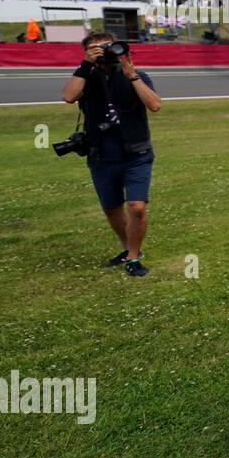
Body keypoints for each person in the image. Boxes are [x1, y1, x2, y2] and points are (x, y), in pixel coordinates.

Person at [60, 31, 163, 277]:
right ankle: (129, 250)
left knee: (137, 206)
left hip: (136, 152)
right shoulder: (86, 77)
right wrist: (86, 64)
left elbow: (155, 105)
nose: (103, 51)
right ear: (87, 52)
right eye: (96, 48)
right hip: (100, 155)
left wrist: (132, 76)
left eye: (107, 46)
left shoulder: (135, 75)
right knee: (111, 208)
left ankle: (134, 257)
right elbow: (68, 96)